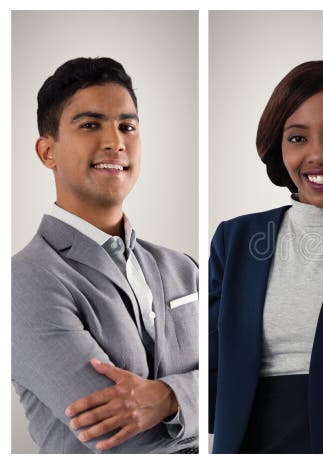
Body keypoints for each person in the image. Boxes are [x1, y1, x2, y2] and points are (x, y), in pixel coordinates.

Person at [11, 57, 199, 453]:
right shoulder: (23, 281)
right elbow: (115, 437)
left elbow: (245, 385)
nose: (115, 141)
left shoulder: (183, 268)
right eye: (90, 125)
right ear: (47, 152)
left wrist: (168, 398)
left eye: (127, 126)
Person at [209, 60, 323, 453]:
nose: (319, 154)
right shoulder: (236, 239)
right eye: (297, 138)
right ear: (278, 146)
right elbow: (210, 372)